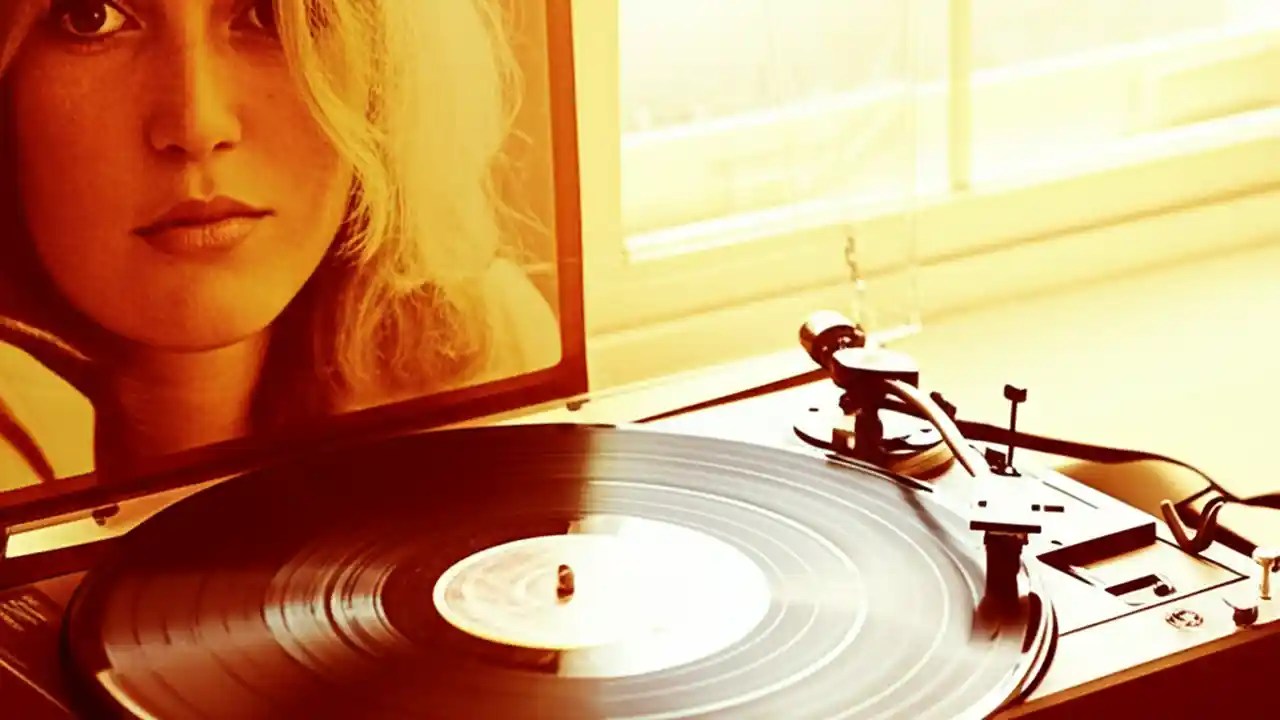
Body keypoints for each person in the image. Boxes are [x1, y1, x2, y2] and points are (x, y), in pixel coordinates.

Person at [0, 0, 561, 490]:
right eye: (90, 17)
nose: (197, 125)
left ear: (384, 62)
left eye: (269, 14)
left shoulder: (478, 349)